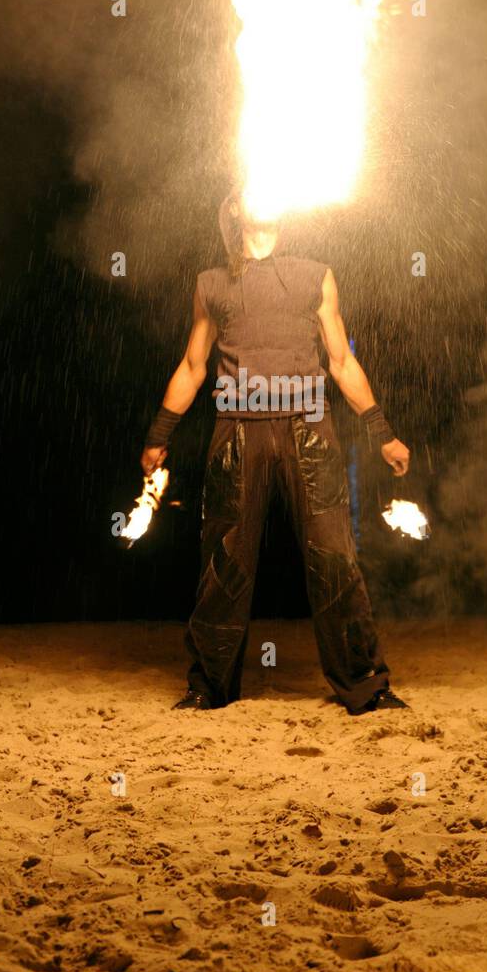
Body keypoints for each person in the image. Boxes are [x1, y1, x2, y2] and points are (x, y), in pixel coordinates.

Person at [141, 191, 411, 714]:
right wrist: (160, 433)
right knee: (224, 560)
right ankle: (209, 687)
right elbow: (194, 366)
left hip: (308, 426)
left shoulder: (316, 275)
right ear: (234, 211)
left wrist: (383, 430)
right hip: (237, 430)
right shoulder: (211, 283)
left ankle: (364, 686)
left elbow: (341, 361)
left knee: (335, 557)